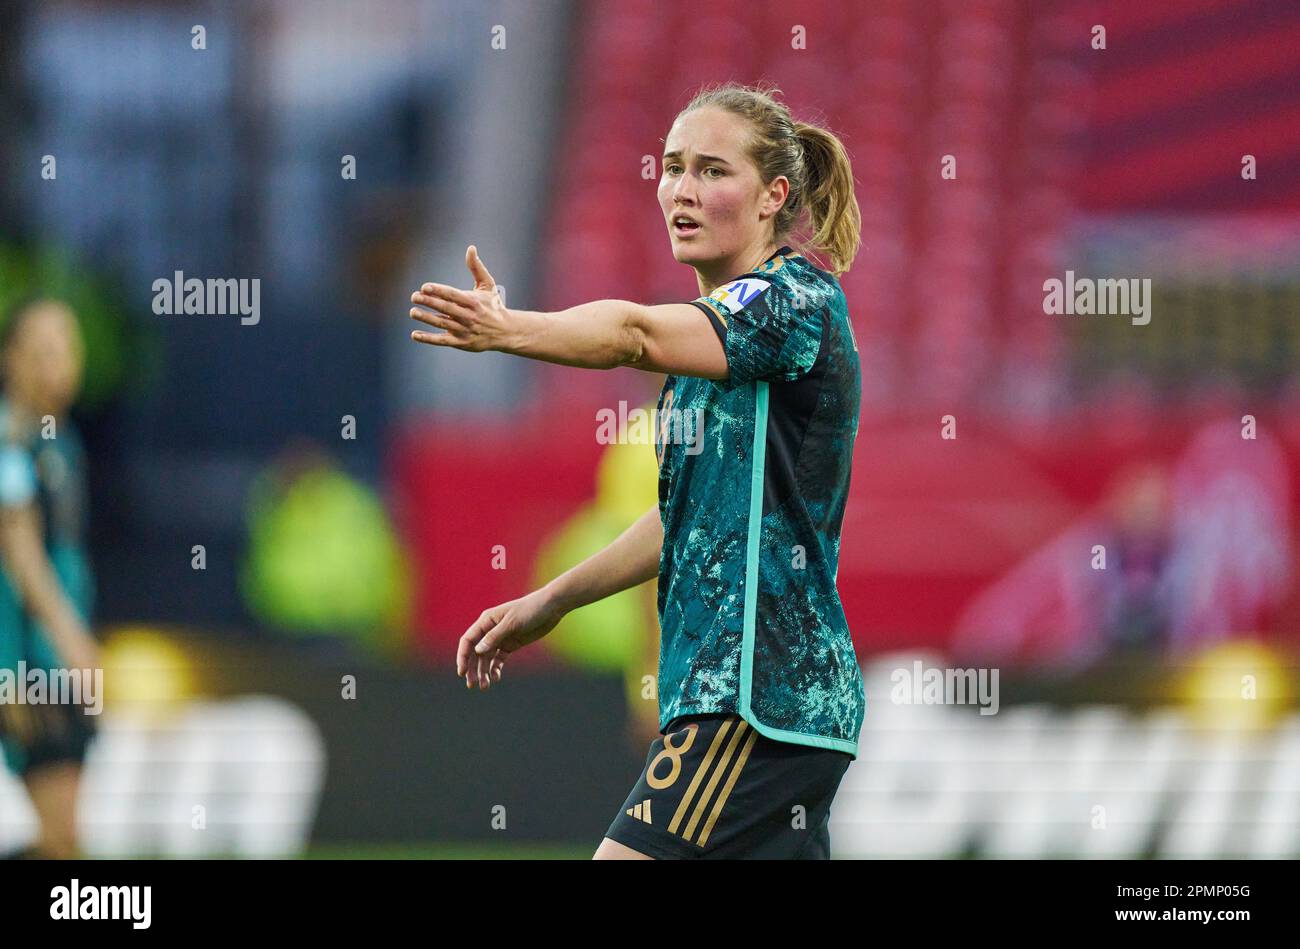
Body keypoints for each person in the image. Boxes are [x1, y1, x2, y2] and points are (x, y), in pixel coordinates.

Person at [411, 82, 865, 859]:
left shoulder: (791, 304)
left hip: (754, 698)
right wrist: (549, 602)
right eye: (673, 166)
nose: (683, 190)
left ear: (772, 196)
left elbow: (628, 332)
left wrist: (508, 328)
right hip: (753, 701)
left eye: (714, 171)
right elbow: (684, 514)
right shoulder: (712, 349)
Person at [0, 297, 99, 859]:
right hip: (29, 664)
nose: (58, 361)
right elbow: (21, 552)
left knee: (64, 839)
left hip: (55, 661)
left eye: (66, 346)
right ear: (12, 359)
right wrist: (70, 641)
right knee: (61, 839)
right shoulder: (12, 439)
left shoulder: (60, 439)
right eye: (42, 349)